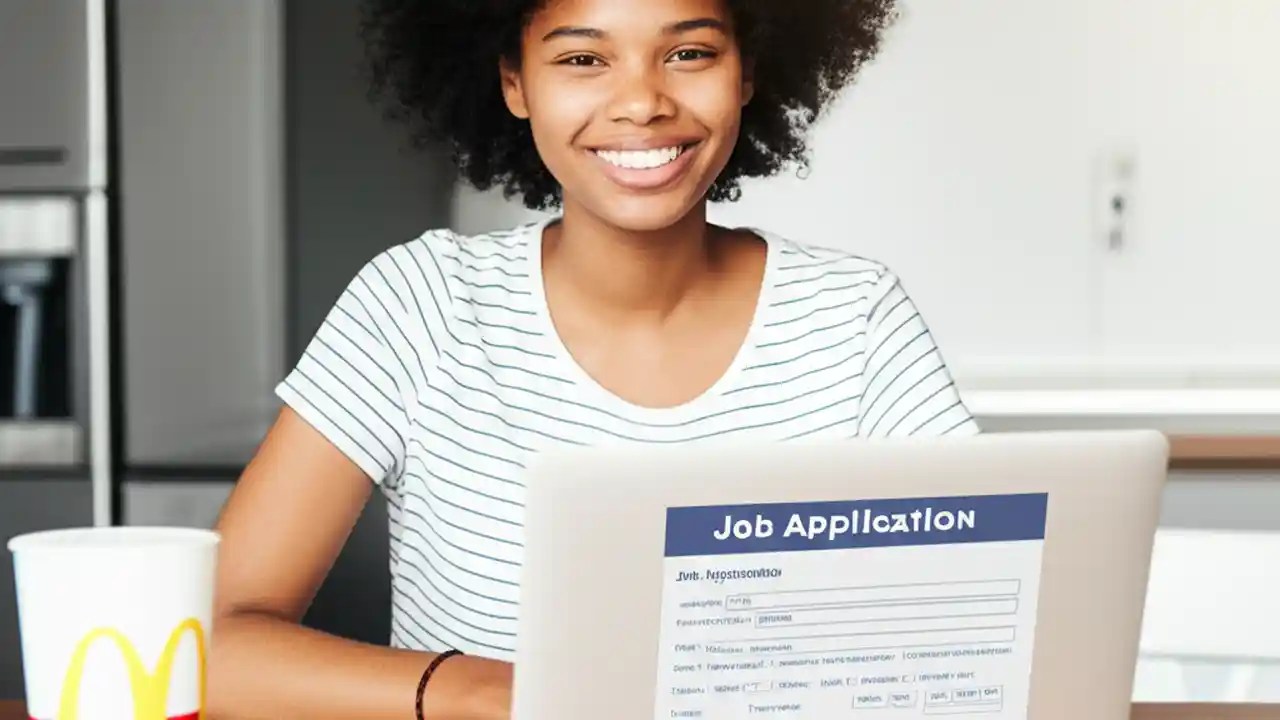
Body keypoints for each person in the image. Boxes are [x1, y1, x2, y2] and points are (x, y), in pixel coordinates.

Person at [207, 0, 979, 717]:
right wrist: (492, 695)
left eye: (689, 53)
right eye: (582, 59)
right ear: (515, 83)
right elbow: (205, 646)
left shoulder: (854, 318)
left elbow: (985, 632)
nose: (642, 102)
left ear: (746, 71)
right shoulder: (423, 305)